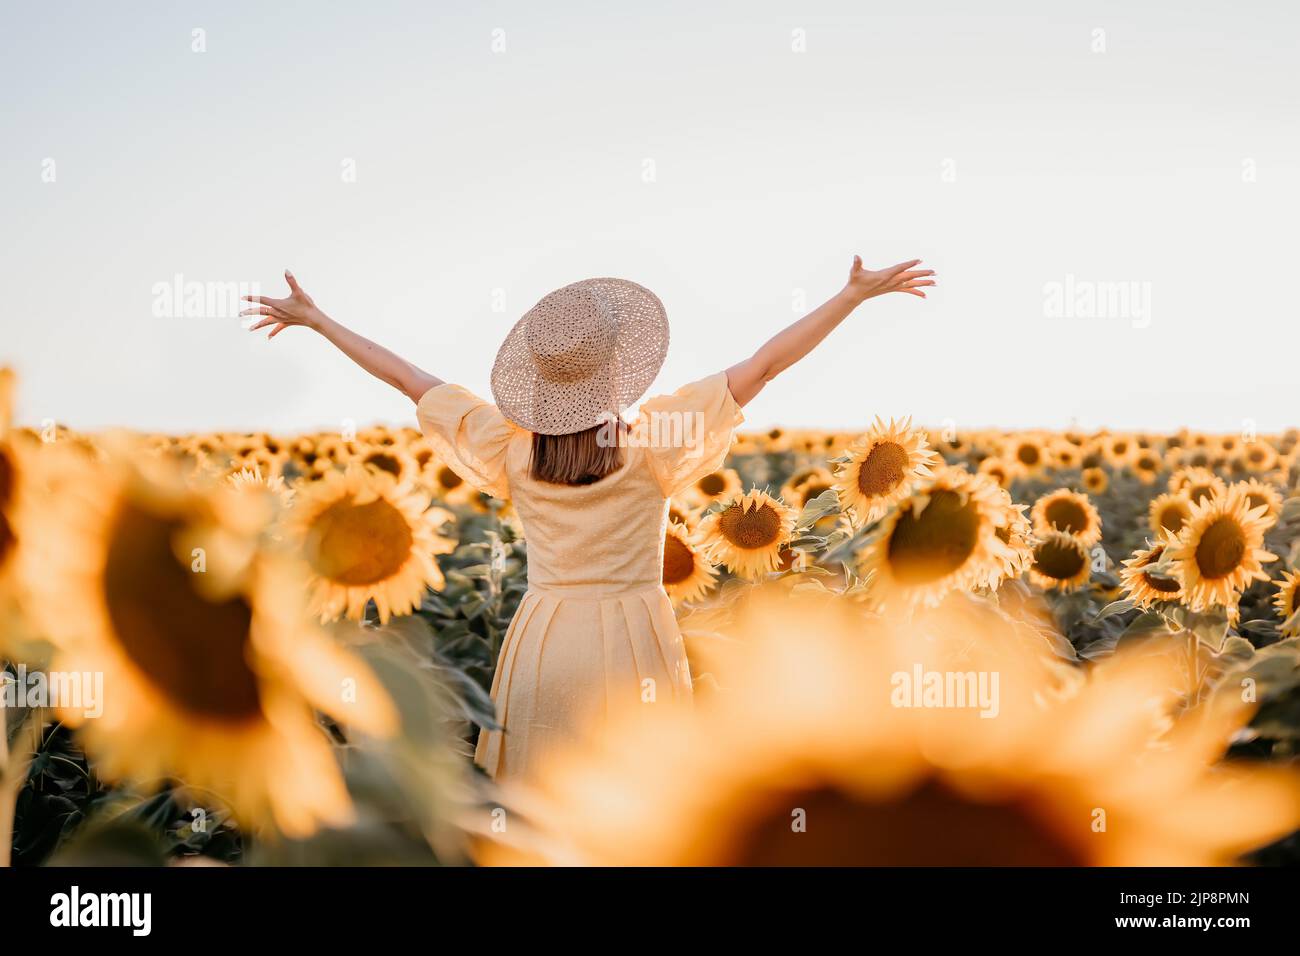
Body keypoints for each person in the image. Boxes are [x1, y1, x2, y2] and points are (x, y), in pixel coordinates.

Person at [242, 257, 935, 780]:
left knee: (537, 800)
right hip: (633, 637)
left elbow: (406, 379)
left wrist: (320, 321)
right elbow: (765, 366)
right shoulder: (654, 445)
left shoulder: (510, 451)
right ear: (614, 376)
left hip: (543, 637)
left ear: (539, 385)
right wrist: (850, 298)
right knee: (633, 798)